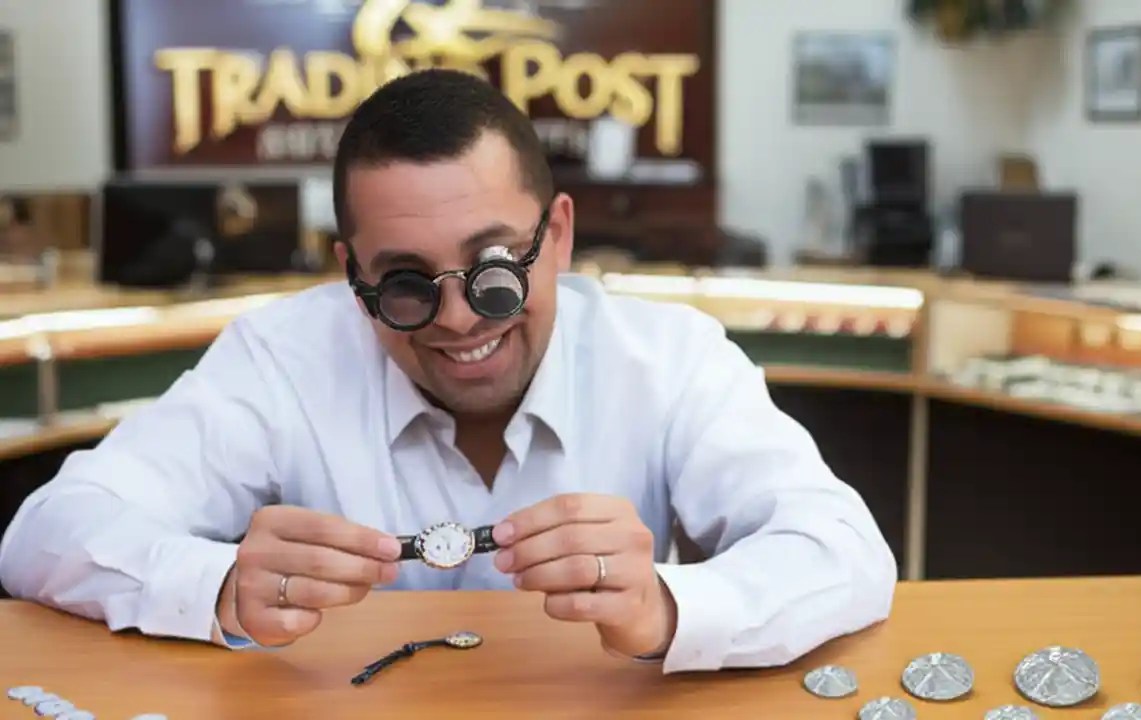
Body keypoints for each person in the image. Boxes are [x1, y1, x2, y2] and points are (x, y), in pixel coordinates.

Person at [0, 69, 896, 672]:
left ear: (562, 236)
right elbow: (47, 534)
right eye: (403, 284)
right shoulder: (280, 359)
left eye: (497, 268)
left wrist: (669, 604)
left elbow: (845, 552)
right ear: (350, 272)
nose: (461, 317)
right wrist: (220, 585)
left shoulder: (668, 359)